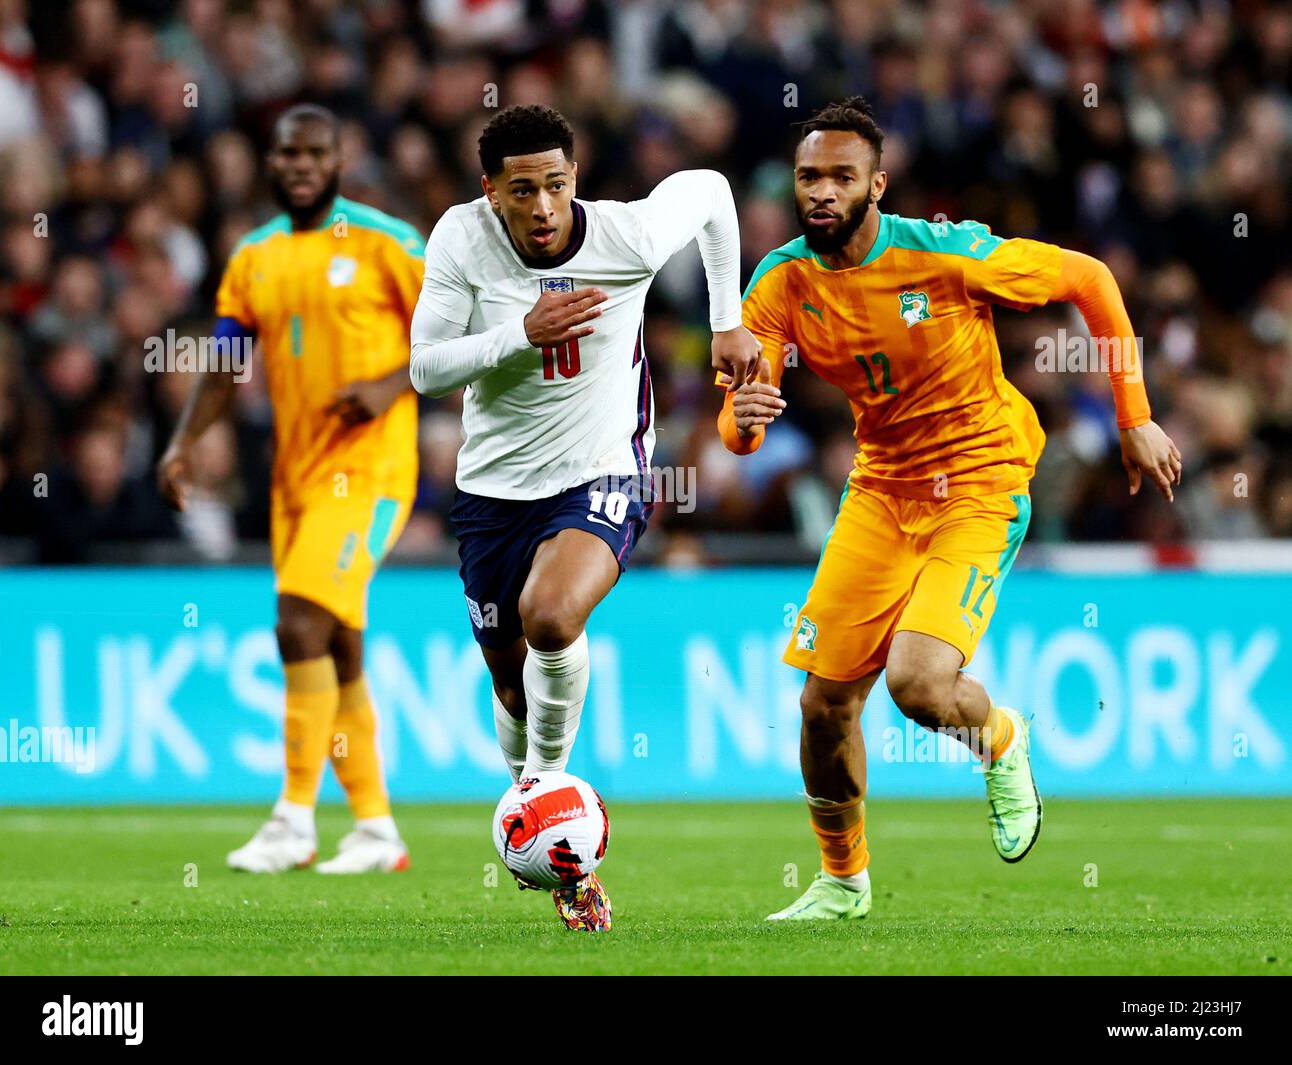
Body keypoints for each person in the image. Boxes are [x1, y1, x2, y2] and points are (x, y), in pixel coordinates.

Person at [719, 97, 1182, 921]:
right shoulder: (781, 282)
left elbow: (1091, 278)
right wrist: (743, 425)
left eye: (840, 177)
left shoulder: (945, 254)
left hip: (978, 479)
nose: (820, 192)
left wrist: (1134, 414)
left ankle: (1000, 737)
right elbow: (739, 423)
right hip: (881, 490)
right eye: (807, 177)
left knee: (918, 684)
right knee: (823, 707)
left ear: (877, 186)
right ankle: (843, 881)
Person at [409, 104, 759, 931]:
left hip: (601, 472)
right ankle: (547, 805)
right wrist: (514, 335)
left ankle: (545, 804)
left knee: (552, 614)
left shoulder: (625, 236)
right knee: (509, 681)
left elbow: (710, 190)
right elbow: (424, 367)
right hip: (493, 492)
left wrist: (725, 321)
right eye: (521, 190)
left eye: (556, 185)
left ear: (576, 178)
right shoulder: (460, 239)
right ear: (489, 191)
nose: (541, 207)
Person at [158, 105, 424, 875]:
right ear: (271, 163)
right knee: (335, 642)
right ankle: (376, 829)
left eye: (316, 152)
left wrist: (389, 381)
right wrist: (183, 441)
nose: (301, 164)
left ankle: (293, 817)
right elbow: (225, 363)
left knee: (297, 622)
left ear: (340, 158)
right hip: (295, 480)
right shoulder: (253, 256)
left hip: (371, 470)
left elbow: (460, 332)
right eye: (288, 153)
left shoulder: (388, 243)